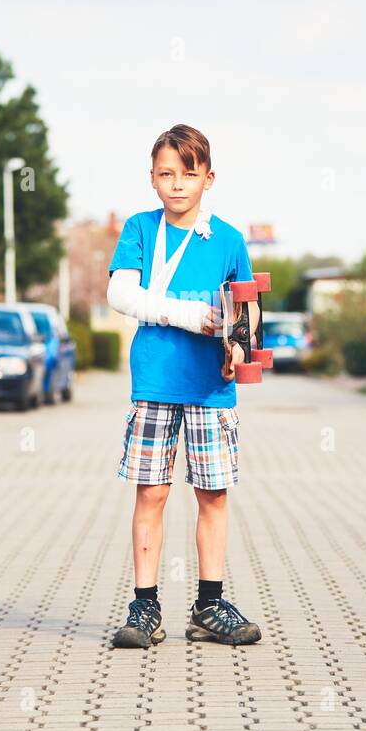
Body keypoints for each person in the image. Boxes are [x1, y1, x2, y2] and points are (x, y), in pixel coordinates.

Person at [105, 123, 262, 649]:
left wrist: (239, 345)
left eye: (188, 174)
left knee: (212, 494)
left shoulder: (230, 240)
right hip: (154, 381)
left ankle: (209, 605)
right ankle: (145, 607)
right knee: (151, 492)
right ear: (152, 179)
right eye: (166, 174)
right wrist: (192, 315)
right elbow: (121, 294)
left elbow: (249, 311)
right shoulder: (141, 229)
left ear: (208, 178)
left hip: (210, 390)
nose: (177, 184)